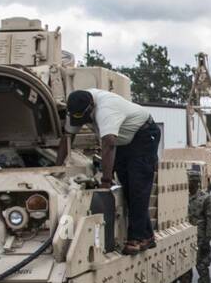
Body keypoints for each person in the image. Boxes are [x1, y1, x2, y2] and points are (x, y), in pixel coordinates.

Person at [59, 89, 161, 254]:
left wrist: (106, 181)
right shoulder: (78, 108)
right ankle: (147, 236)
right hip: (124, 139)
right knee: (128, 187)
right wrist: (58, 169)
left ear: (92, 106)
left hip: (143, 134)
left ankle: (136, 238)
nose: (81, 122)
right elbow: (67, 138)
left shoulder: (106, 109)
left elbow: (109, 144)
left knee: (137, 185)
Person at [186, 169, 211, 283]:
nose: (190, 184)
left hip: (200, 238)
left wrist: (207, 240)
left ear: (197, 183)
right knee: (185, 270)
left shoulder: (205, 198)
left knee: (202, 269)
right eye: (189, 181)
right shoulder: (181, 197)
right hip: (185, 238)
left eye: (192, 181)